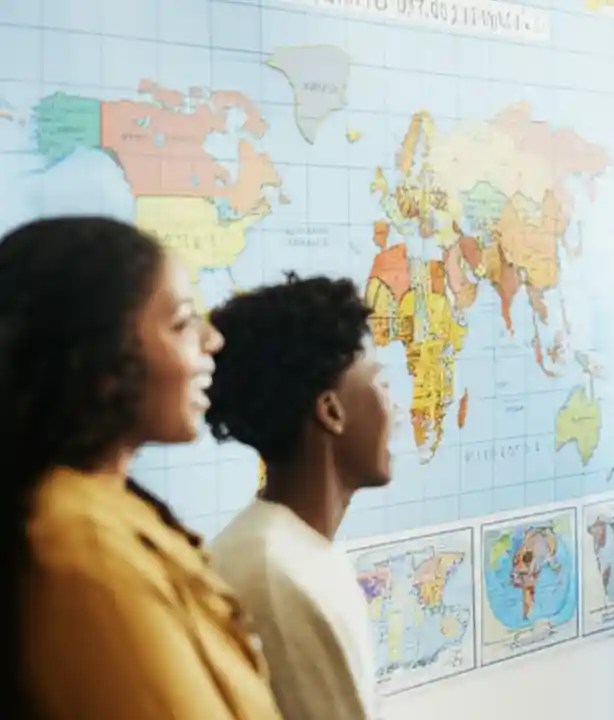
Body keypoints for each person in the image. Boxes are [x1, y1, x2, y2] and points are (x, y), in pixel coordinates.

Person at [0, 217, 281, 718]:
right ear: (100, 360)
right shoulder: (85, 544)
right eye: (180, 322)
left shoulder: (111, 509)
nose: (211, 340)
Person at [204, 273, 393, 720]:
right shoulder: (273, 574)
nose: (394, 408)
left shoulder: (295, 549)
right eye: (380, 384)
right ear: (331, 412)